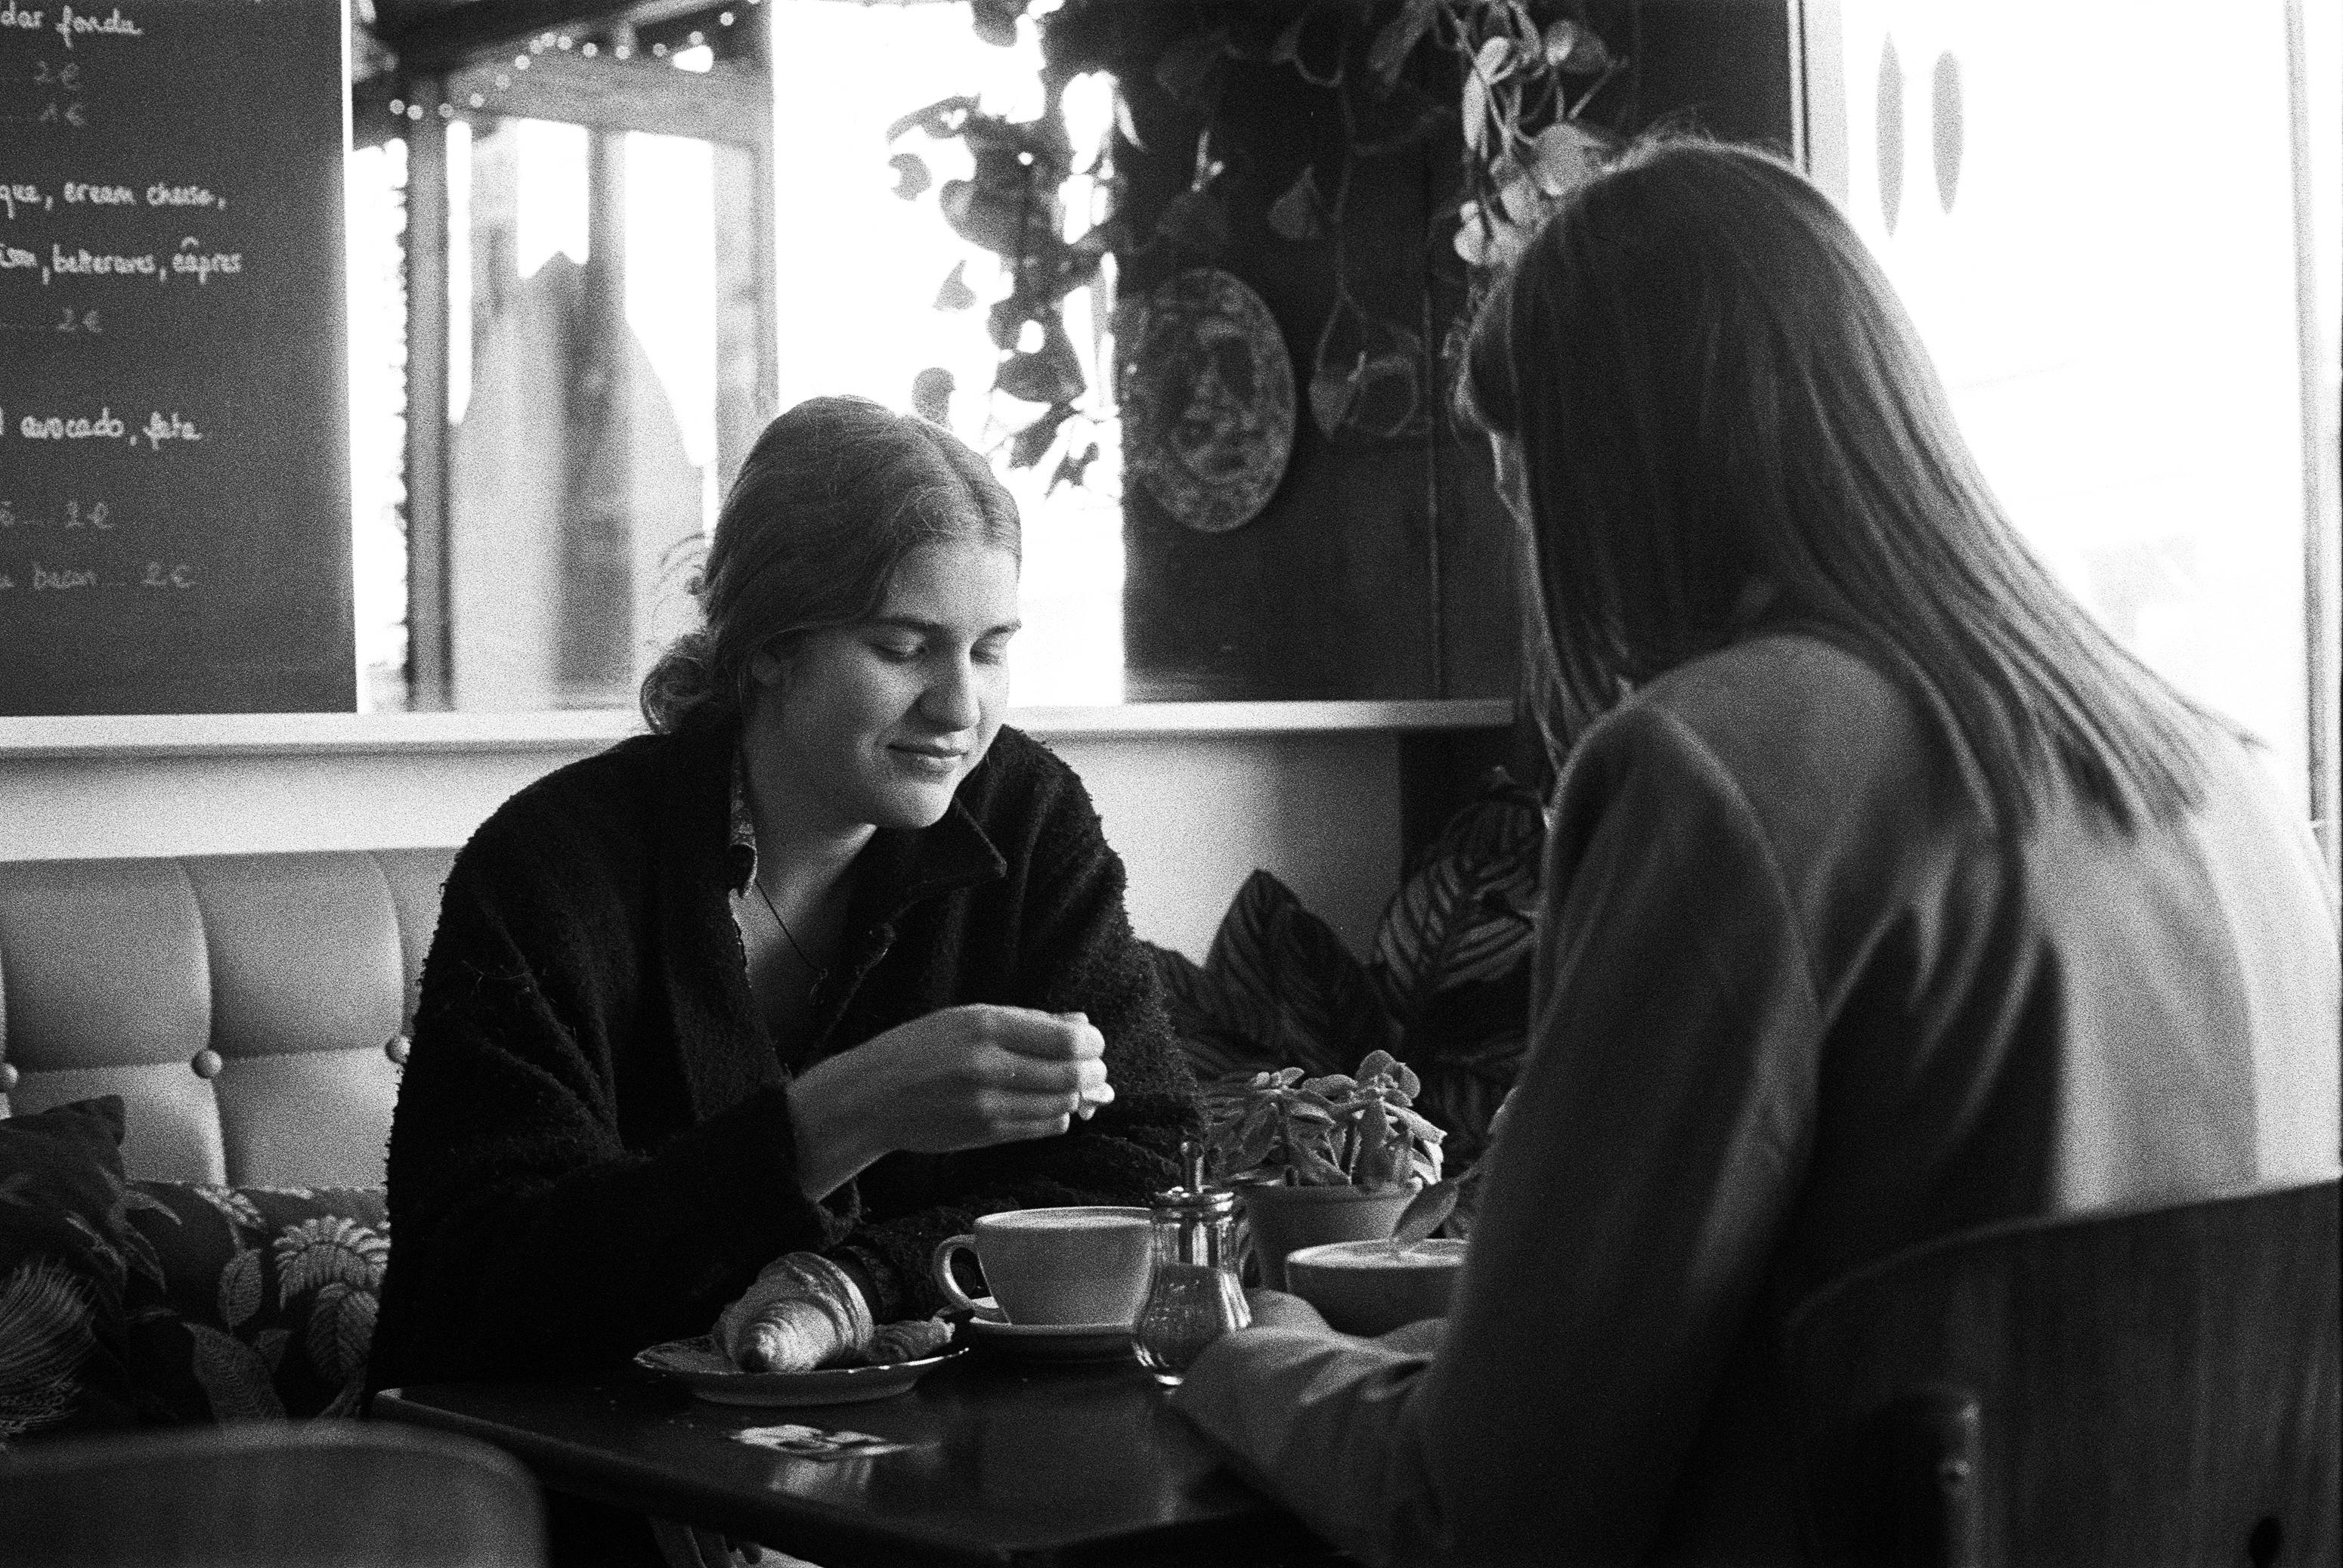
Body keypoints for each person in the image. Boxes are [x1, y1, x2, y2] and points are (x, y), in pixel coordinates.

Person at [1169, 137, 2341, 1565]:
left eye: (1521, 482)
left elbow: (1488, 1511)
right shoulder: (2231, 778)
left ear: (1600, 475)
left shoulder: (1720, 767)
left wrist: (1245, 1354)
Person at [366, 396, 1199, 1562]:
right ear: (767, 649)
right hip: (571, 1513)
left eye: (990, 650)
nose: (960, 709)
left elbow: (1148, 1163)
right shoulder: (555, 868)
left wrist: (847, 1282)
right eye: (902, 648)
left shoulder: (1025, 819)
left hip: (930, 1499)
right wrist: (826, 1124)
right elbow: (476, 1290)